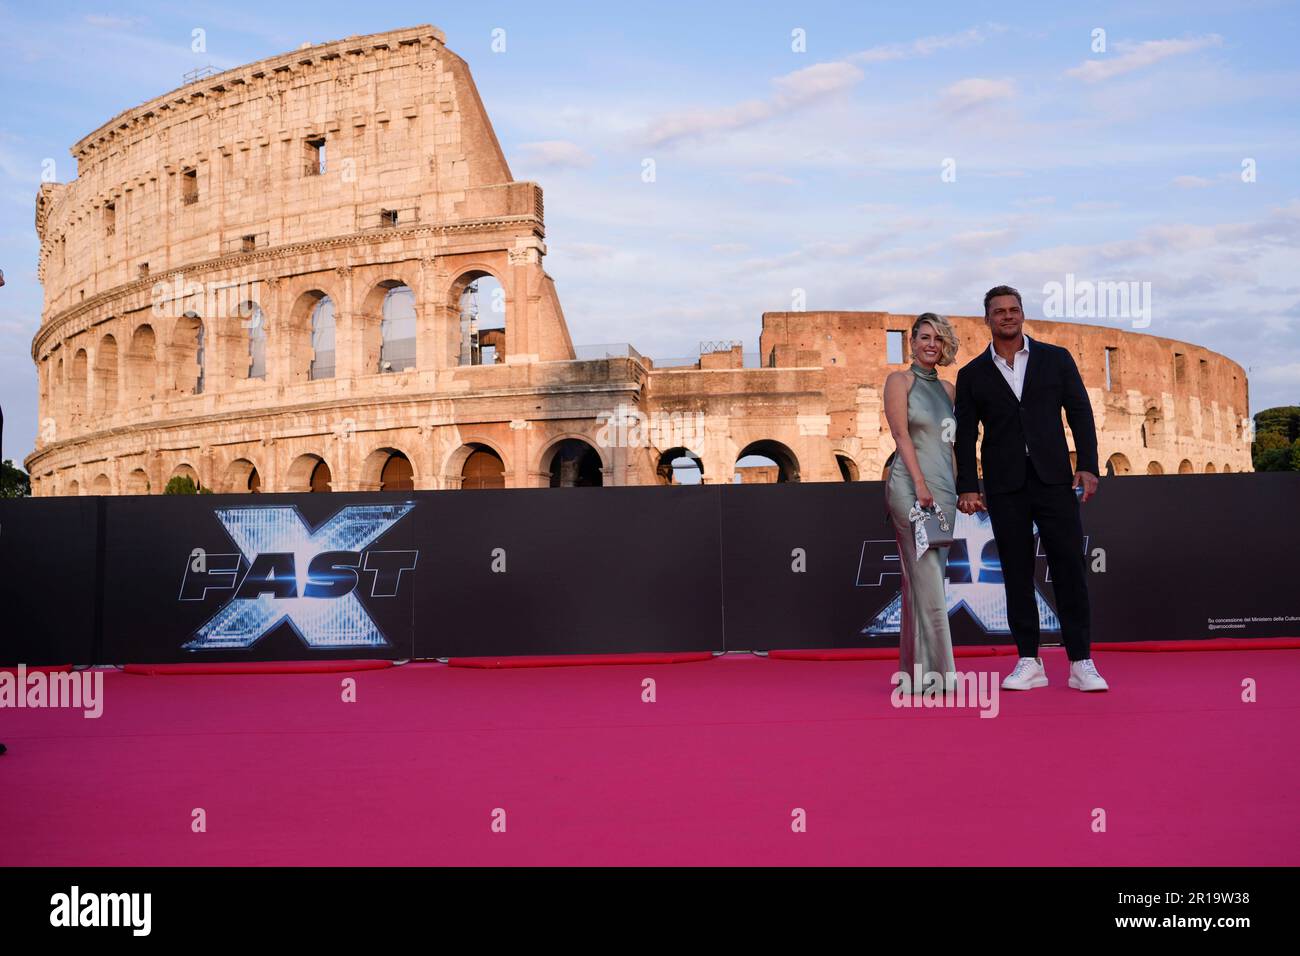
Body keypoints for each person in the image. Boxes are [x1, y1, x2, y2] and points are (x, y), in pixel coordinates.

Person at [954, 285, 1108, 691]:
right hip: (1005, 486)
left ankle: (1081, 662)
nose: (1008, 316)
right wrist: (968, 485)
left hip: (1055, 479)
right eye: (999, 311)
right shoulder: (972, 374)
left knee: (1069, 569)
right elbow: (965, 435)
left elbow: (1079, 412)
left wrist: (1088, 466)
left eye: (1014, 309)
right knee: (1016, 574)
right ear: (986, 319)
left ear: (1023, 314)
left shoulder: (1055, 359)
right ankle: (1029, 660)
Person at [884, 313, 960, 693]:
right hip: (911, 489)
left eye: (938, 339)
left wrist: (958, 489)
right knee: (929, 577)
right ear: (911, 342)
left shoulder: (948, 391)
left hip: (944, 492)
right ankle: (944, 676)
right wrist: (919, 485)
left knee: (921, 582)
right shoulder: (900, 381)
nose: (931, 344)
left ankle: (917, 675)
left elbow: (950, 446)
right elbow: (901, 434)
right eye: (924, 337)